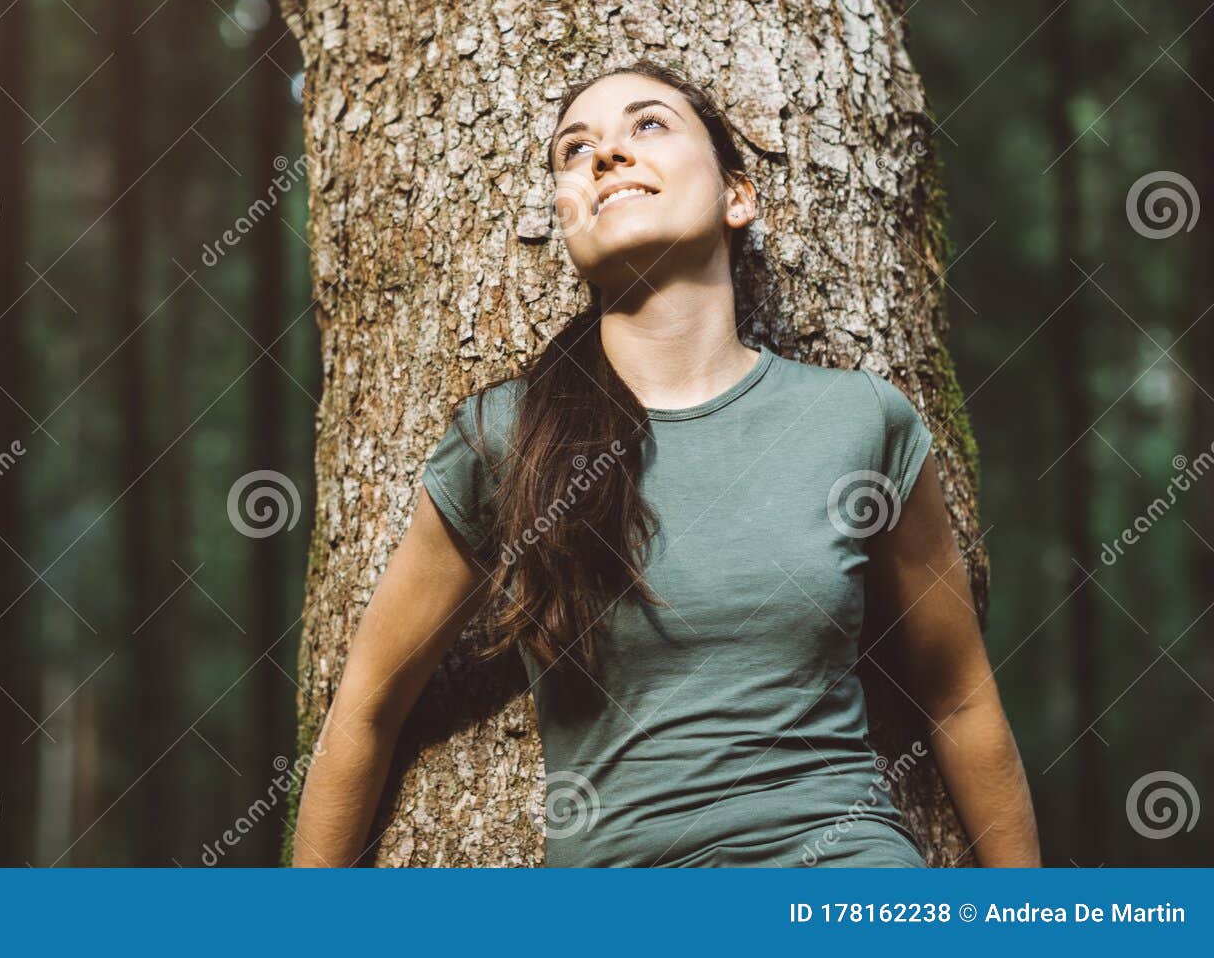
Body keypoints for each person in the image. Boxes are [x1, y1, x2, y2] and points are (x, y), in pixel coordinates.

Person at [292, 60, 1041, 868]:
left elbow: (961, 701)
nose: (607, 155)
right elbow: (364, 712)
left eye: (649, 124)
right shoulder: (506, 438)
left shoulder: (860, 420)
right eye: (575, 150)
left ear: (737, 197)